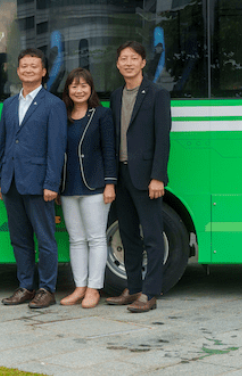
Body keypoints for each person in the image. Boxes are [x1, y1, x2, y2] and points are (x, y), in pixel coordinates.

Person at [0, 48, 67, 309]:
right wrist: (0, 181)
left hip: (39, 184)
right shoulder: (8, 104)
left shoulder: (53, 104)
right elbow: (3, 145)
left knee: (45, 238)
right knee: (19, 238)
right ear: (18, 71)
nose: (28, 70)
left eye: (34, 66)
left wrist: (52, 184)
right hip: (12, 182)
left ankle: (47, 289)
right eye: (24, 66)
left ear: (43, 71)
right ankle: (25, 286)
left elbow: (56, 148)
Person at [107, 41, 171, 313]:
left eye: (134, 58)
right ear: (118, 64)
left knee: (153, 236)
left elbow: (162, 138)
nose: (128, 63)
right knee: (128, 234)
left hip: (146, 178)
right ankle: (133, 288)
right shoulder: (116, 95)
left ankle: (150, 292)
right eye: (123, 58)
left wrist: (158, 177)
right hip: (122, 175)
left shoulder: (157, 94)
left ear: (143, 62)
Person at [58, 67, 115, 309]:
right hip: (68, 187)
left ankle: (94, 288)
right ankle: (79, 287)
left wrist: (110, 183)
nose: (79, 90)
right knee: (76, 239)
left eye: (84, 85)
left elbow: (109, 150)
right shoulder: (63, 115)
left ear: (91, 88)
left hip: (95, 185)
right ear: (68, 90)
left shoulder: (101, 115)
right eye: (74, 86)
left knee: (96, 238)